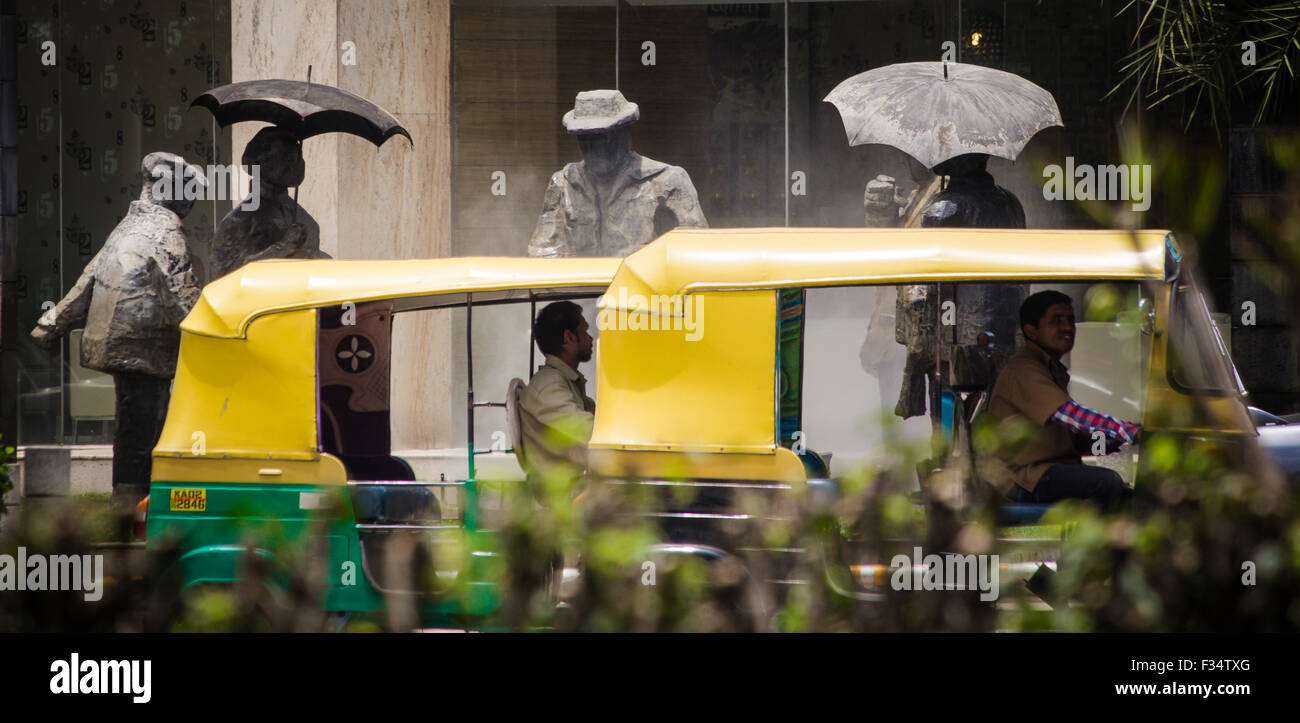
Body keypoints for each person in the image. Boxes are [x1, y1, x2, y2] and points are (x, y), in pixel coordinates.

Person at [31, 152, 205, 509]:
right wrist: (212, 330)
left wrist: (51, 322)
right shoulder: (165, 230)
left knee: (134, 420)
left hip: (120, 341)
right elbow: (181, 291)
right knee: (146, 422)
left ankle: (129, 497)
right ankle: (133, 501)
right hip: (145, 344)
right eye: (189, 190)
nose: (192, 200)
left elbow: (87, 279)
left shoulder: (128, 227)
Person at [987, 290, 1138, 511]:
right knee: (1106, 483)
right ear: (1031, 330)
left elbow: (1072, 441)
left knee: (1133, 499)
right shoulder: (1024, 369)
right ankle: (1092, 544)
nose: (1067, 327)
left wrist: (1114, 442)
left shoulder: (1051, 369)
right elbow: (1070, 414)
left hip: (1047, 471)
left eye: (1070, 320)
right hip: (1022, 477)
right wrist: (1128, 430)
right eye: (1056, 320)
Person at [528, 90, 707, 258]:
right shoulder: (563, 183)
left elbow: (696, 253)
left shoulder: (667, 180)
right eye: (584, 138)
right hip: (579, 288)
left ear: (624, 135)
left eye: (601, 137)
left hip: (642, 288)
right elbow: (542, 252)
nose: (593, 149)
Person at [211, 126, 329, 278]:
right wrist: (281, 248)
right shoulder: (238, 221)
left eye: (296, 157)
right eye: (285, 157)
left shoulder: (306, 221)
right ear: (261, 161)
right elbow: (222, 279)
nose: (293, 164)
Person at [518, 301, 596, 496]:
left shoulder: (562, 381)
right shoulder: (548, 387)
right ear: (569, 337)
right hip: (562, 495)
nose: (590, 338)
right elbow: (589, 431)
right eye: (585, 331)